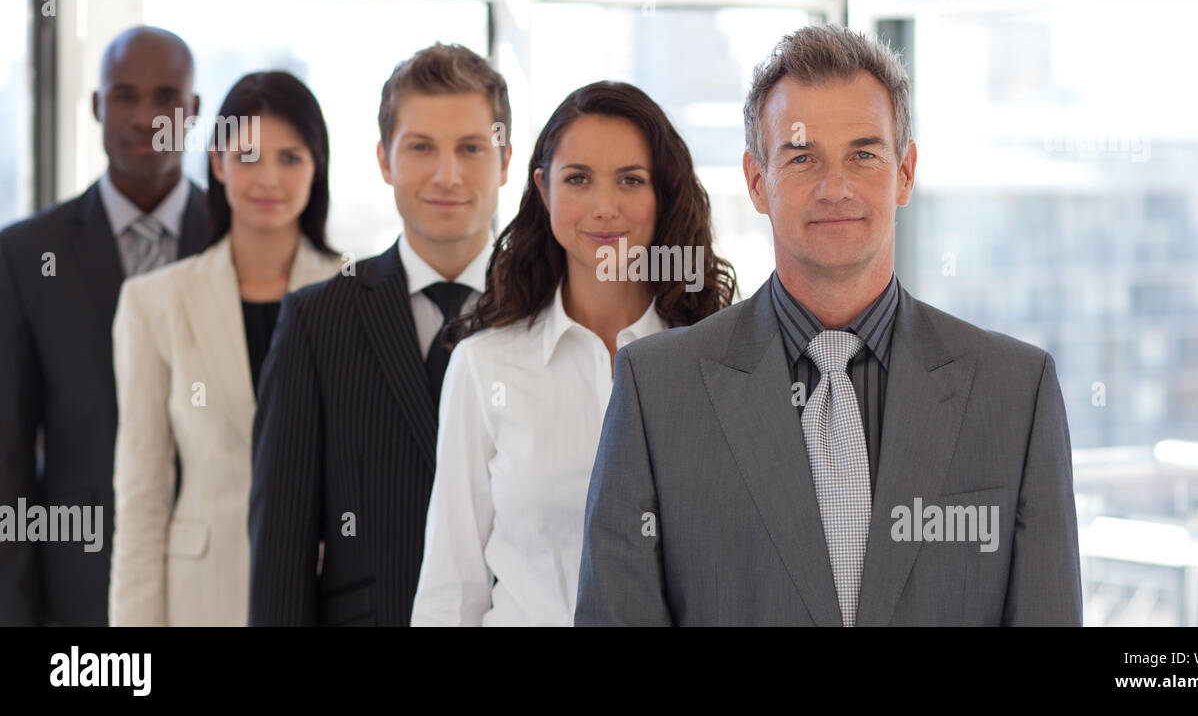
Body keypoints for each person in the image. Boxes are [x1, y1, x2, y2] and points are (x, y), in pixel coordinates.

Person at [575, 25, 1083, 626]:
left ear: (906, 172)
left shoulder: (1015, 392)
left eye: (863, 154)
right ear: (757, 181)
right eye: (802, 156)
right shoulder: (656, 390)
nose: (835, 187)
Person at [409, 82, 737, 626]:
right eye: (578, 179)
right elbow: (451, 588)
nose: (604, 208)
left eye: (630, 180)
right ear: (543, 189)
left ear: (664, 193)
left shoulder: (717, 359)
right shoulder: (484, 365)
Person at [248, 43, 511, 626]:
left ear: (506, 160)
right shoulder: (317, 323)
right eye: (421, 147)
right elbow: (280, 555)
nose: (447, 174)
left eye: (470, 148)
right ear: (385, 160)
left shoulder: (545, 316)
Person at [109, 72, 342, 626]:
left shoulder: (351, 294)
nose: (269, 178)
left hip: (327, 593)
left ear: (317, 168)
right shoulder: (154, 303)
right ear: (217, 163)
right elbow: (141, 497)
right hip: (201, 598)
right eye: (249, 155)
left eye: (291, 158)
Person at [0, 26, 211, 626]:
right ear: (96, 105)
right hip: (78, 591)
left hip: (222, 584)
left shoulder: (238, 244)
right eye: (124, 95)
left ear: (193, 111)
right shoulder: (24, 256)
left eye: (167, 96)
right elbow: (6, 461)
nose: (146, 117)